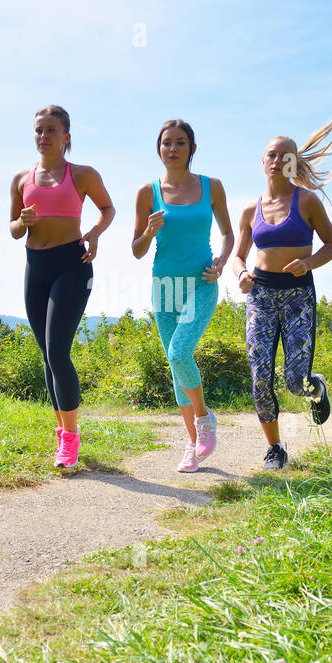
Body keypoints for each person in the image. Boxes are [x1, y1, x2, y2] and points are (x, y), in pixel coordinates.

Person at [230, 111, 332, 470]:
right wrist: (240, 275)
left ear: (294, 163)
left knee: (295, 381)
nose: (277, 160)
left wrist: (308, 263)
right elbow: (238, 256)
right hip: (261, 296)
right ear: (262, 161)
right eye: (271, 154)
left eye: (286, 155)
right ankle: (275, 448)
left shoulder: (308, 201)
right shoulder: (251, 208)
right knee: (259, 377)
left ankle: (315, 387)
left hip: (298, 295)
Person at [9, 105, 115, 467]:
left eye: (51, 130)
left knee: (57, 352)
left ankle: (70, 439)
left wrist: (95, 234)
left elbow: (107, 209)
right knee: (46, 355)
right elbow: (12, 229)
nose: (43, 136)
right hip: (35, 266)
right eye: (38, 130)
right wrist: (21, 221)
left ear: (66, 137)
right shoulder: (22, 179)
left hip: (72, 264)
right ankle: (62, 433)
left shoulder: (82, 174)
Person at [132, 119, 234, 472]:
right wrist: (148, 230)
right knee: (176, 366)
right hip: (164, 287)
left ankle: (204, 420)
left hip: (201, 282)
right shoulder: (148, 192)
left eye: (180, 142)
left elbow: (228, 234)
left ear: (192, 148)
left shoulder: (211, 187)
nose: (172, 149)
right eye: (166, 143)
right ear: (158, 149)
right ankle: (192, 444)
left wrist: (221, 261)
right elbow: (136, 250)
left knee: (179, 351)